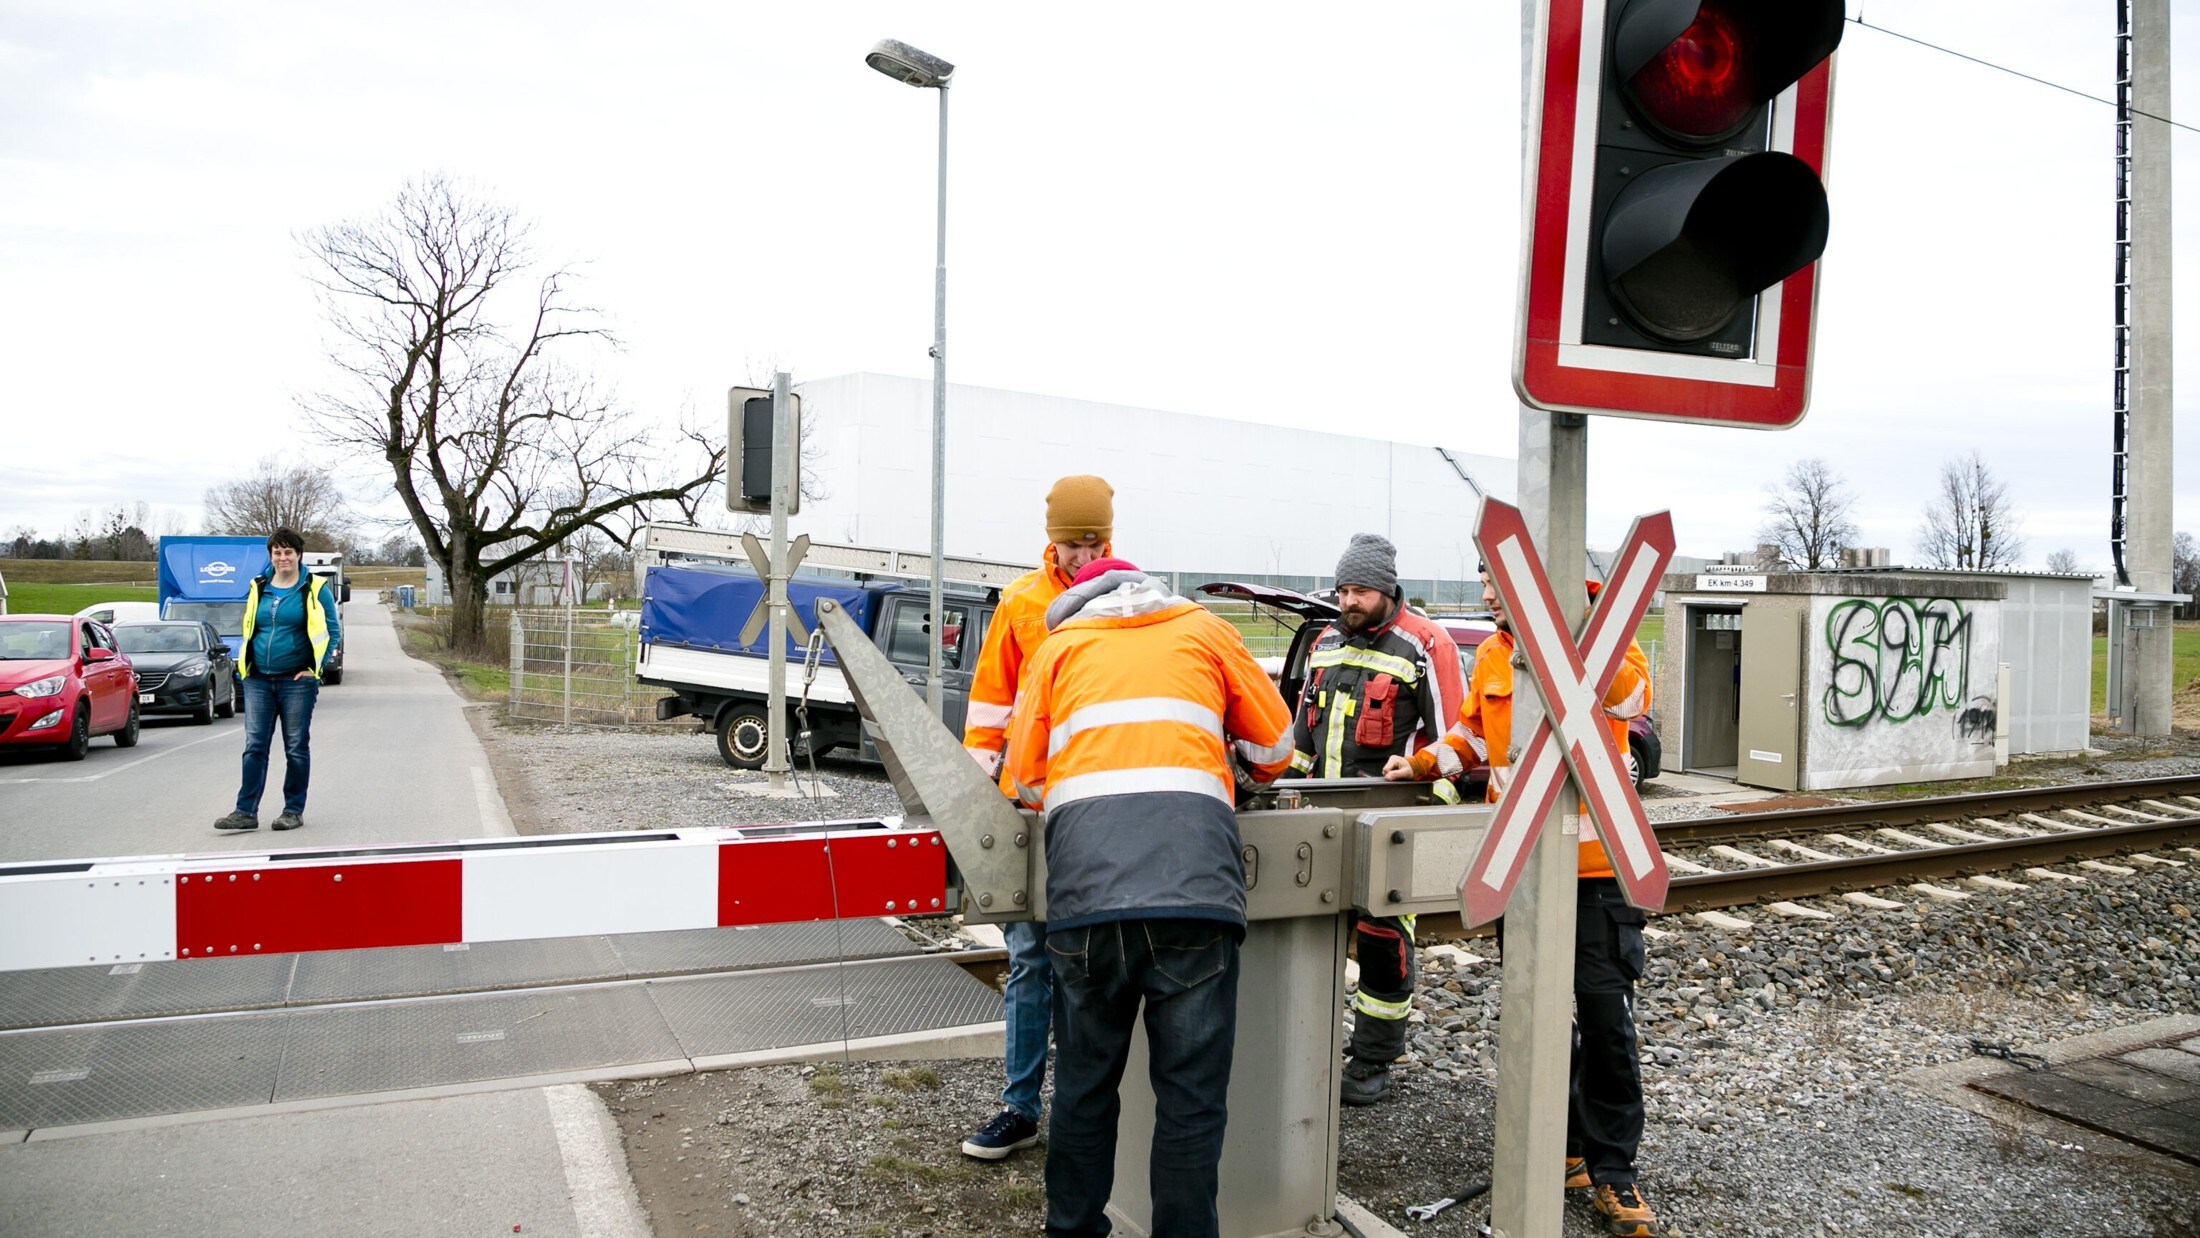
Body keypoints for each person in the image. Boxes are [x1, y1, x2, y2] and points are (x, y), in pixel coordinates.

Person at [1005, 556, 1293, 1238]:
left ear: (1077, 601)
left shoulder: (1057, 649)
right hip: (1194, 898)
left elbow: (1024, 779)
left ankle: (1071, 1230)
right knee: (1191, 1104)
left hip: (1087, 903)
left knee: (1083, 1090)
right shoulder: (1206, 630)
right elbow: (1276, 746)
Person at [1385, 571, 1659, 1238]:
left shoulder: (1614, 640)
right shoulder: (1493, 653)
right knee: (1539, 1024)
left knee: (1606, 1023)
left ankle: (1613, 1172)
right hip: (1524, 873)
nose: (1484, 596)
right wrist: (1426, 763)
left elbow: (1627, 699)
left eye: (1492, 582)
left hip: (1595, 873)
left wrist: (1570, 639)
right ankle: (1563, 1149)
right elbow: (1476, 737)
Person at [958, 475, 1115, 1160]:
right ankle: (1019, 1107)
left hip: (1104, 808)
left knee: (1094, 962)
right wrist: (976, 794)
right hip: (1032, 810)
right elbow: (990, 706)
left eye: (1095, 541)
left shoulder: (1128, 600)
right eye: (1073, 543)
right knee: (1028, 960)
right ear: (1052, 542)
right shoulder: (1021, 604)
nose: (1084, 556)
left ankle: (1089, 1110)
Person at [1288, 533, 1465, 1106]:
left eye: (1360, 590)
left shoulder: (1426, 645)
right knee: (1309, 936)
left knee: (1383, 941)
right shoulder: (1324, 642)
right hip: (1320, 821)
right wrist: (1280, 793)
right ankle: (1306, 1046)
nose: (1349, 600)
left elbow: (1454, 745)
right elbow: (1300, 738)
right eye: (1343, 590)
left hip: (1390, 825)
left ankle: (1372, 1060)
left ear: (1388, 590)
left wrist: (1428, 821)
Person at [213, 529, 342, 833]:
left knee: (296, 747)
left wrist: (316, 668)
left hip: (297, 680)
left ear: (299, 554)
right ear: (270, 555)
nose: (282, 558)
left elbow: (332, 632)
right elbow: (251, 627)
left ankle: (292, 810)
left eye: (288, 552)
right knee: (254, 747)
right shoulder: (258, 586)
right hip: (258, 678)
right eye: (277, 552)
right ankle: (245, 811)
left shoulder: (315, 588)